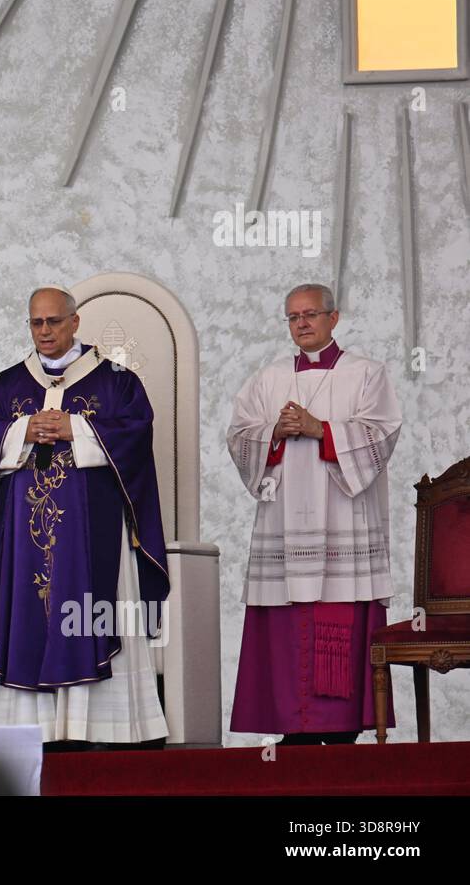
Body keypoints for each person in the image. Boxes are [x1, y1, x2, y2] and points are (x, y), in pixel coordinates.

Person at [0, 287, 170, 748]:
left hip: (92, 536)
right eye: (36, 323)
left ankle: (100, 728)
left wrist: (76, 427)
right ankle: (35, 732)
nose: (44, 332)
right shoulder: (8, 384)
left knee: (89, 616)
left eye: (54, 322)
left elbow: (138, 434)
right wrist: (23, 429)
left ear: (75, 323)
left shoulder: (116, 380)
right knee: (33, 615)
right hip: (27, 541)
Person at [226, 283, 400, 744]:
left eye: (311, 314)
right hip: (283, 523)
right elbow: (239, 435)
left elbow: (381, 435)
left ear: (333, 318)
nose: (301, 323)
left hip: (342, 521)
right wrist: (273, 434)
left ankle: (339, 728)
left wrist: (319, 429)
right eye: (293, 317)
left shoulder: (366, 373)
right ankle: (292, 727)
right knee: (286, 628)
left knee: (336, 620)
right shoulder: (268, 378)